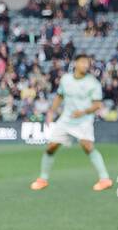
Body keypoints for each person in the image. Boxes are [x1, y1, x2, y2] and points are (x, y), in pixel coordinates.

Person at [29, 54, 112, 192]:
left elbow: (97, 105)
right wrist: (51, 112)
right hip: (66, 119)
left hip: (84, 120)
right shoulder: (66, 79)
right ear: (76, 63)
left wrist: (83, 112)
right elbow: (59, 96)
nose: (86, 65)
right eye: (83, 62)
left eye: (87, 63)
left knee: (87, 146)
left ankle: (105, 179)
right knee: (51, 147)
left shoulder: (93, 83)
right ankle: (43, 179)